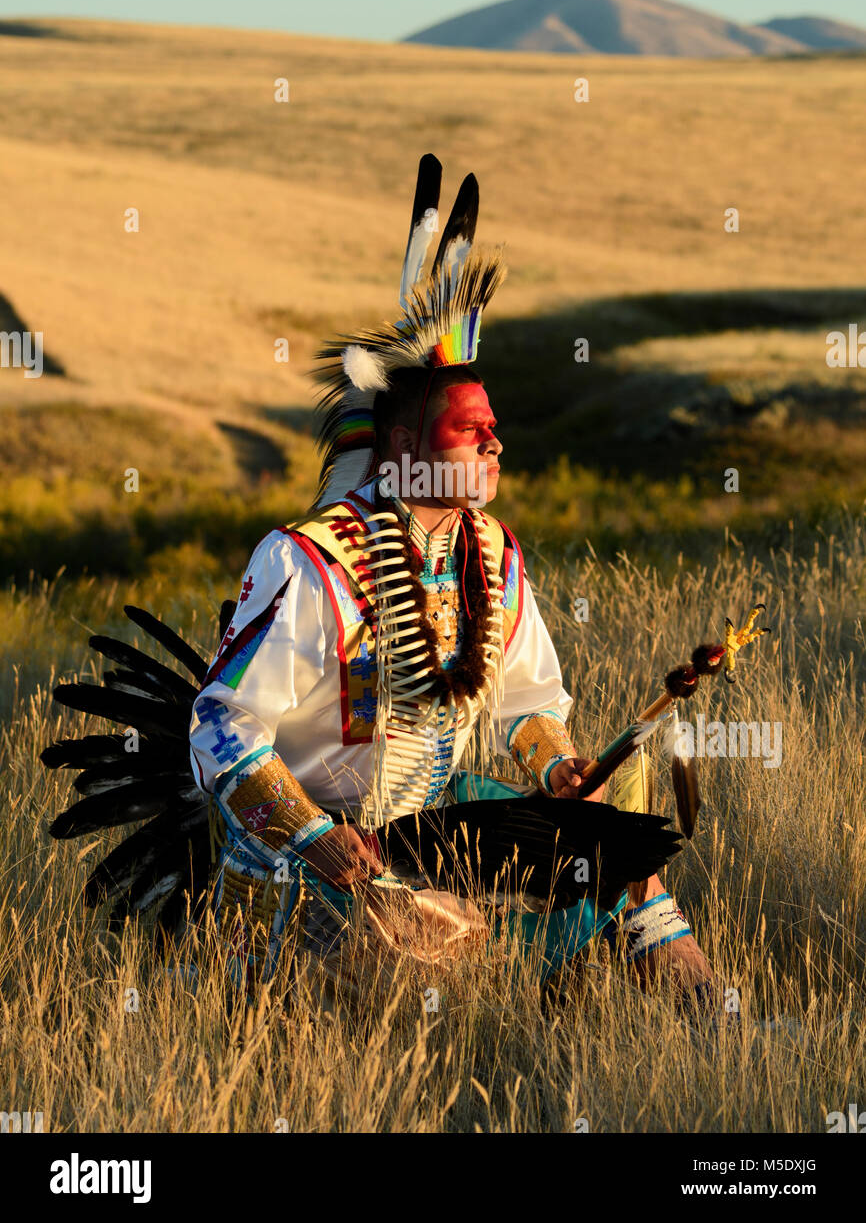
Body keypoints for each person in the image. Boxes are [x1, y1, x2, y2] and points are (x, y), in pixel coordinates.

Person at [188, 155, 717, 1003]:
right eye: (472, 431)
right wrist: (315, 836)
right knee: (430, 948)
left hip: (429, 822)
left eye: (493, 427)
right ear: (405, 448)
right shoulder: (309, 561)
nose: (496, 443)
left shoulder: (493, 555)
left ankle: (716, 1022)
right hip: (314, 847)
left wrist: (556, 768)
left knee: (614, 853)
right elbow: (220, 725)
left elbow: (529, 702)